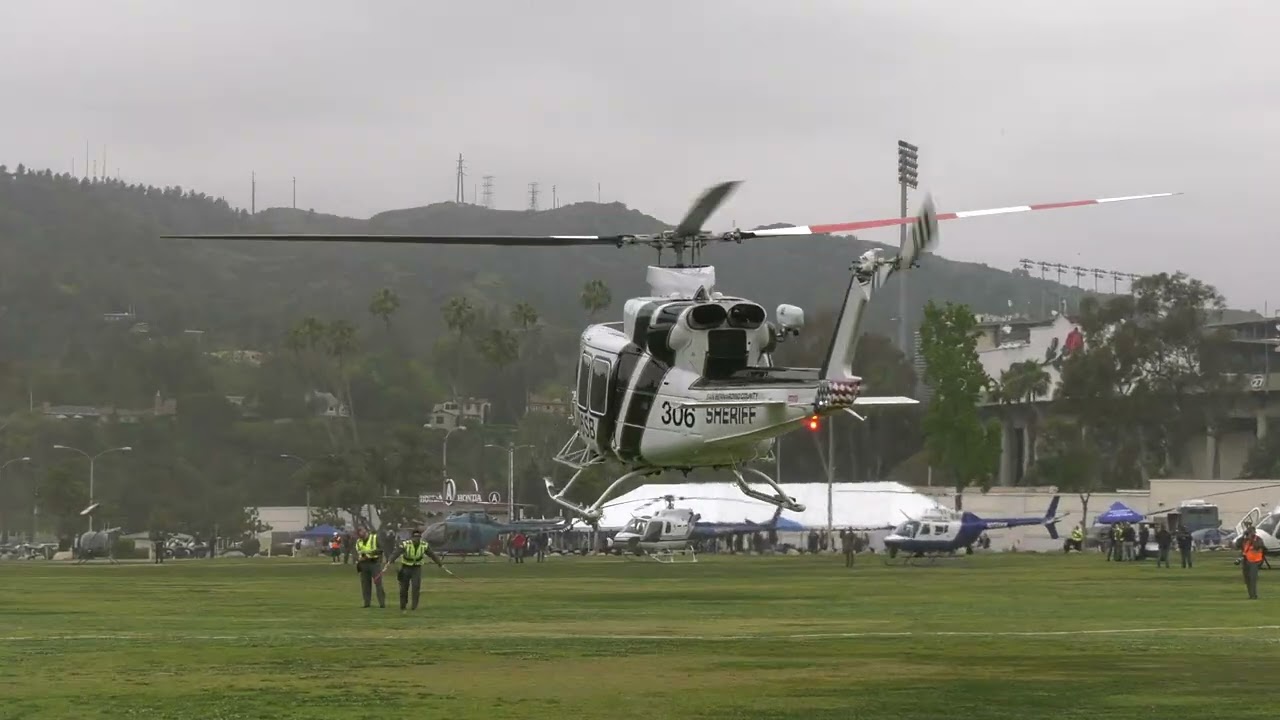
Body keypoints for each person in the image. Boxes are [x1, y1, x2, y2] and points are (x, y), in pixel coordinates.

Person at [384, 527, 445, 612]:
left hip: (416, 568)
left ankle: (414, 606)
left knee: (416, 586)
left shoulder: (424, 545)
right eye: (415, 537)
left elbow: (432, 554)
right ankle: (403, 605)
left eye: (418, 538)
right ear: (411, 538)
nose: (416, 539)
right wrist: (390, 561)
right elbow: (396, 553)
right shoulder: (405, 544)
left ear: (420, 538)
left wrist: (440, 563)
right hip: (406, 567)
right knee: (404, 588)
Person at [354, 527, 386, 608]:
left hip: (374, 563)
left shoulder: (374, 538)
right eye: (358, 534)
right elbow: (359, 552)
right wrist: (359, 559)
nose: (359, 535)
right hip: (363, 564)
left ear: (365, 531)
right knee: (365, 584)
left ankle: (382, 603)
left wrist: (371, 554)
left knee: (378, 583)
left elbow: (381, 549)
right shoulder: (358, 542)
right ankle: (366, 603)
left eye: (360, 532)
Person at [1237, 526, 1265, 599]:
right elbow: (1237, 545)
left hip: (1255, 561)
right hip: (1246, 560)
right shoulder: (1245, 540)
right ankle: (1250, 595)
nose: (1249, 535)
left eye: (1250, 533)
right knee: (1247, 578)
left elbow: (1258, 546)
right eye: (1248, 533)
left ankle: (1253, 595)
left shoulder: (1258, 539)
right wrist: (1243, 536)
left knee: (1252, 578)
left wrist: (1251, 539)